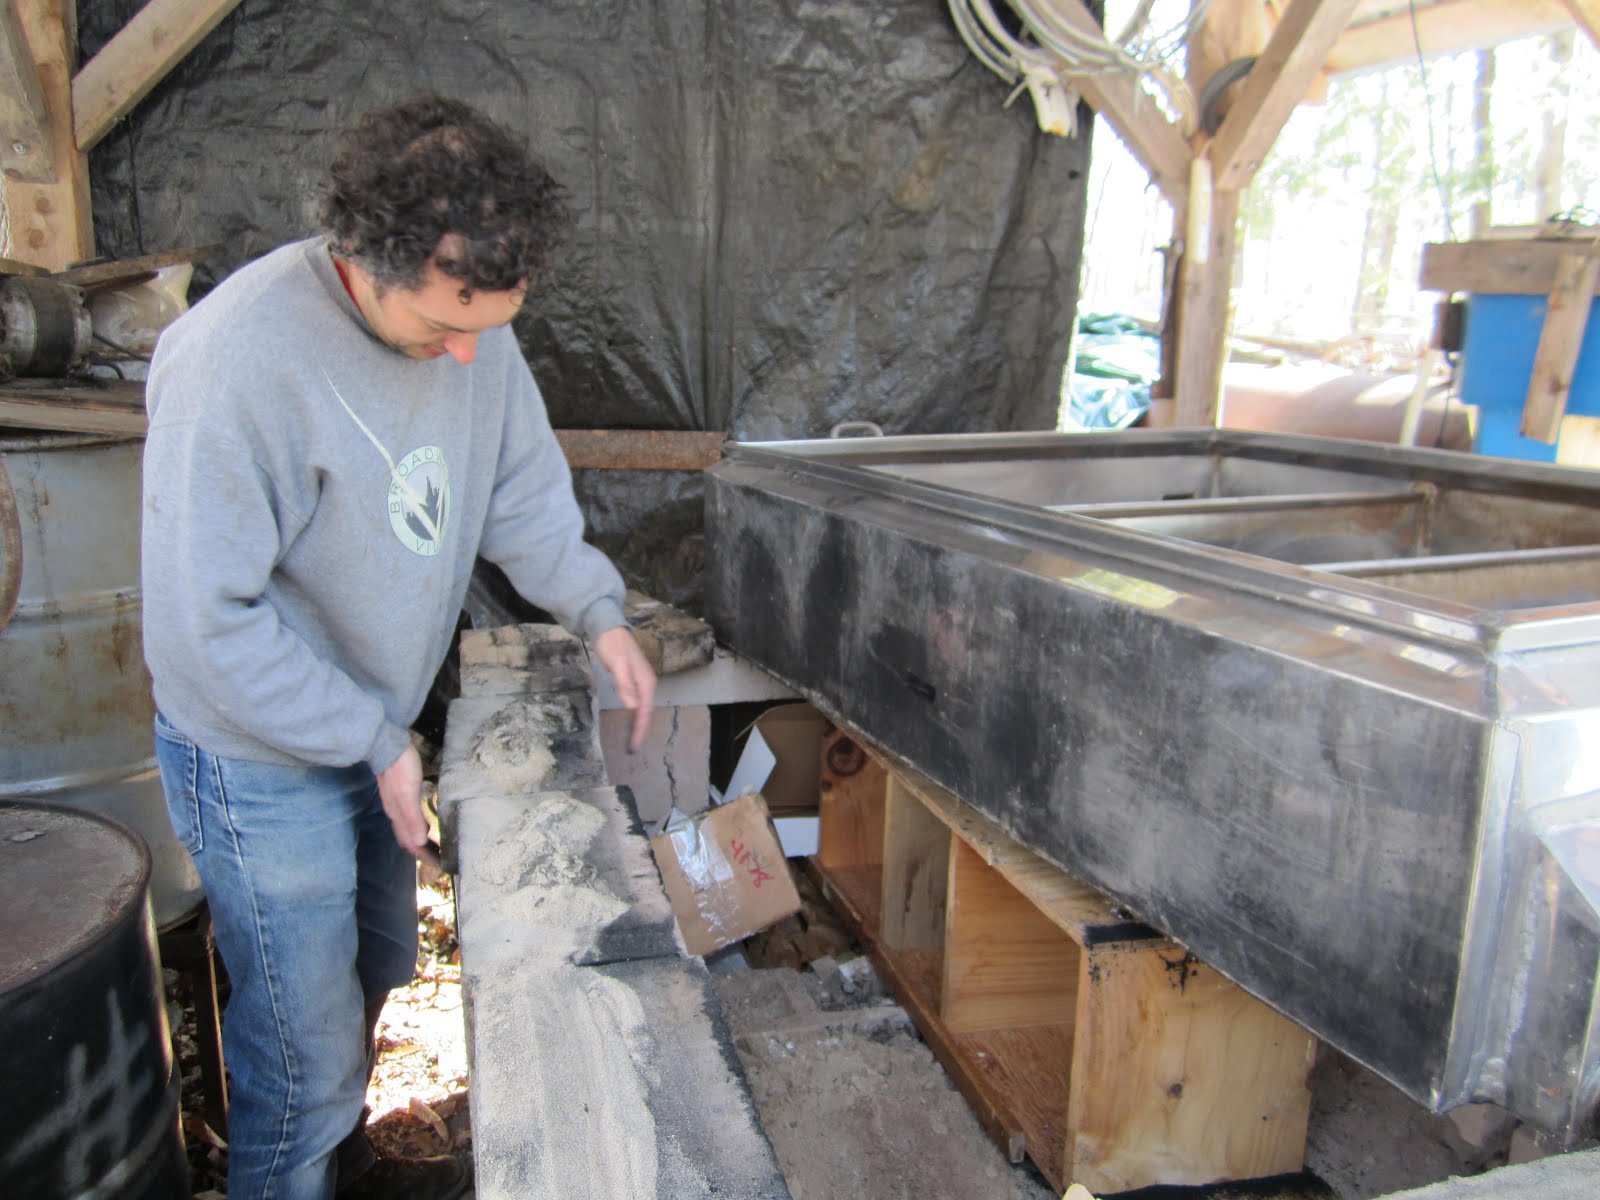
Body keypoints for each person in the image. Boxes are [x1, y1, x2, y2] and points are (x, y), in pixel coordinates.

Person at [141, 95, 657, 1200]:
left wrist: (599, 611)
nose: (466, 354)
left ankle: (341, 1160)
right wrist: (372, 739)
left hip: (368, 723)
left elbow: (518, 490)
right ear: (362, 256)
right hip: (253, 746)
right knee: (302, 1047)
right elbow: (204, 628)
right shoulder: (235, 364)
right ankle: (296, 1165)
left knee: (378, 961)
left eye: (488, 325)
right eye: (441, 326)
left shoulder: (475, 324)